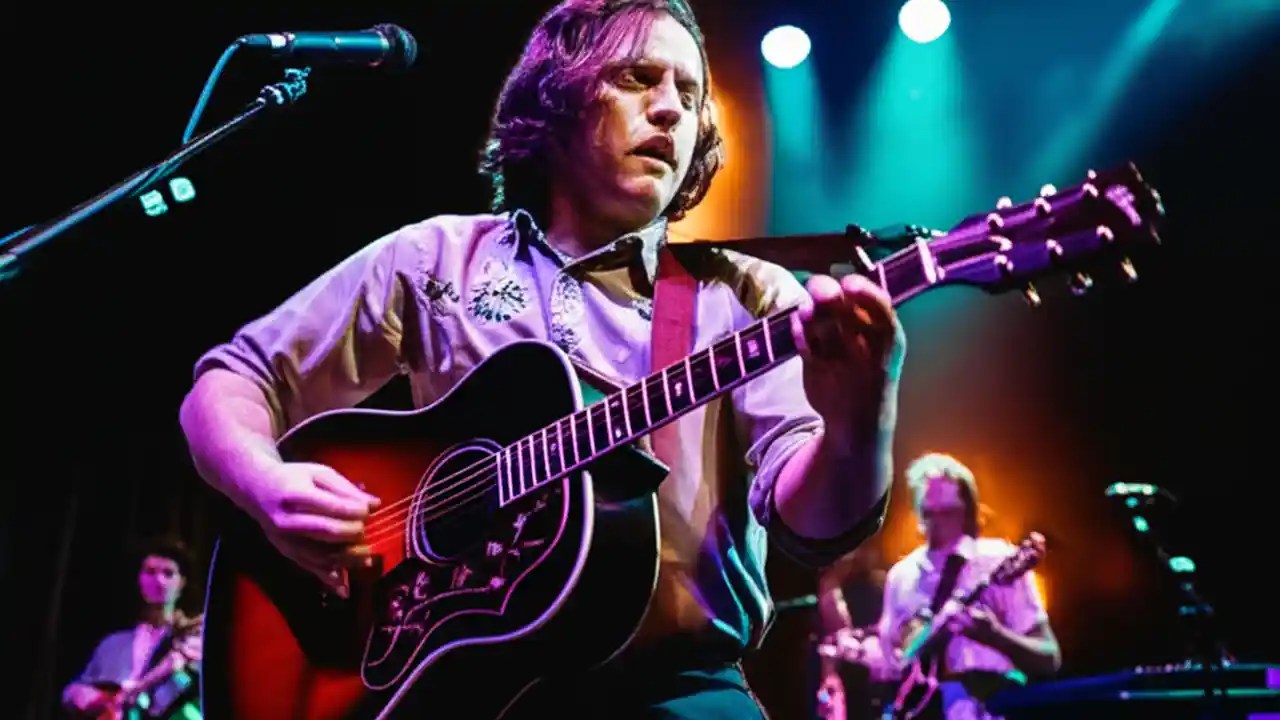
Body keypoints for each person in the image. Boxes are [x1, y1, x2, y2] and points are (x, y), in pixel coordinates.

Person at [178, 0, 907, 715]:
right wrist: (266, 485)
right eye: (637, 78)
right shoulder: (436, 260)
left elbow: (813, 528)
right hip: (451, 693)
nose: (671, 110)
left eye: (689, 93)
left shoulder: (747, 298)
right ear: (555, 100)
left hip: (677, 692)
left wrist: (859, 421)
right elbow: (232, 381)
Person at [876, 453, 1061, 720]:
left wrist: (995, 635)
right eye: (929, 513)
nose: (937, 524)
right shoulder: (901, 576)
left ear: (968, 510)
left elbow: (1049, 658)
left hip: (994, 707)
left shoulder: (998, 560)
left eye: (949, 512)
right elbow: (892, 662)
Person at [61, 537, 203, 719]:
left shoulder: (193, 639)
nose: (158, 581)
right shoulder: (113, 644)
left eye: (168, 573)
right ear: (139, 578)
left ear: (182, 582)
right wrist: (97, 698)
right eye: (150, 572)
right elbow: (72, 693)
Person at [813, 547, 891, 720]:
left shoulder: (877, 586)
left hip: (866, 675)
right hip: (841, 674)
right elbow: (834, 631)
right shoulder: (831, 587)